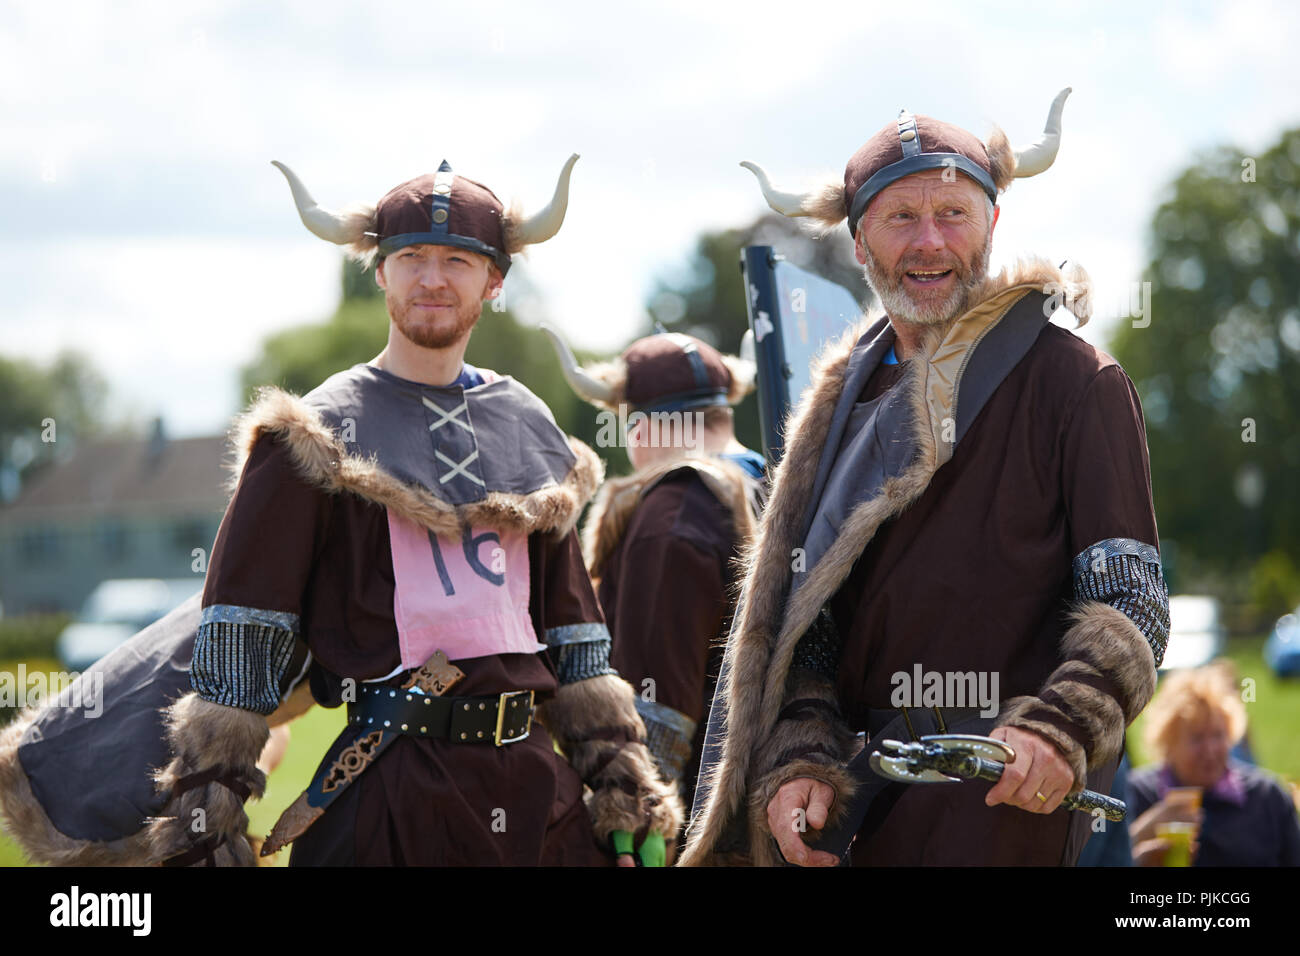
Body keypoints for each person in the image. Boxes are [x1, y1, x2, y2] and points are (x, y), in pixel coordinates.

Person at [143, 155, 680, 866]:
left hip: (535, 797)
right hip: (388, 794)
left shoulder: (525, 422)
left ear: (493, 282)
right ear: (380, 272)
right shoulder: (314, 436)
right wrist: (204, 818)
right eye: (411, 257)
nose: (432, 278)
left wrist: (620, 776)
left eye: (458, 260)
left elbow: (571, 628)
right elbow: (243, 641)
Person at [682, 89, 1170, 866]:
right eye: (901, 217)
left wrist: (1061, 729)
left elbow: (1132, 601)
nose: (930, 242)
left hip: (1004, 801)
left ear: (993, 224)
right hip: (854, 815)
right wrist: (799, 762)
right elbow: (812, 635)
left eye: (953, 213)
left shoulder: (1075, 383)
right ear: (858, 240)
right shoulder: (835, 409)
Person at [543, 327, 766, 812]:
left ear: (638, 427)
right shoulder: (771, 489)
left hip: (701, 825)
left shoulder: (671, 517)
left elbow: (656, 711)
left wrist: (639, 819)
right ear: (723, 414)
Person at [1128, 661, 1300, 866]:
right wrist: (1147, 828)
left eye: (1218, 736)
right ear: (1168, 743)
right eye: (1197, 738)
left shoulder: (1267, 796)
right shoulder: (1137, 795)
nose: (1210, 751)